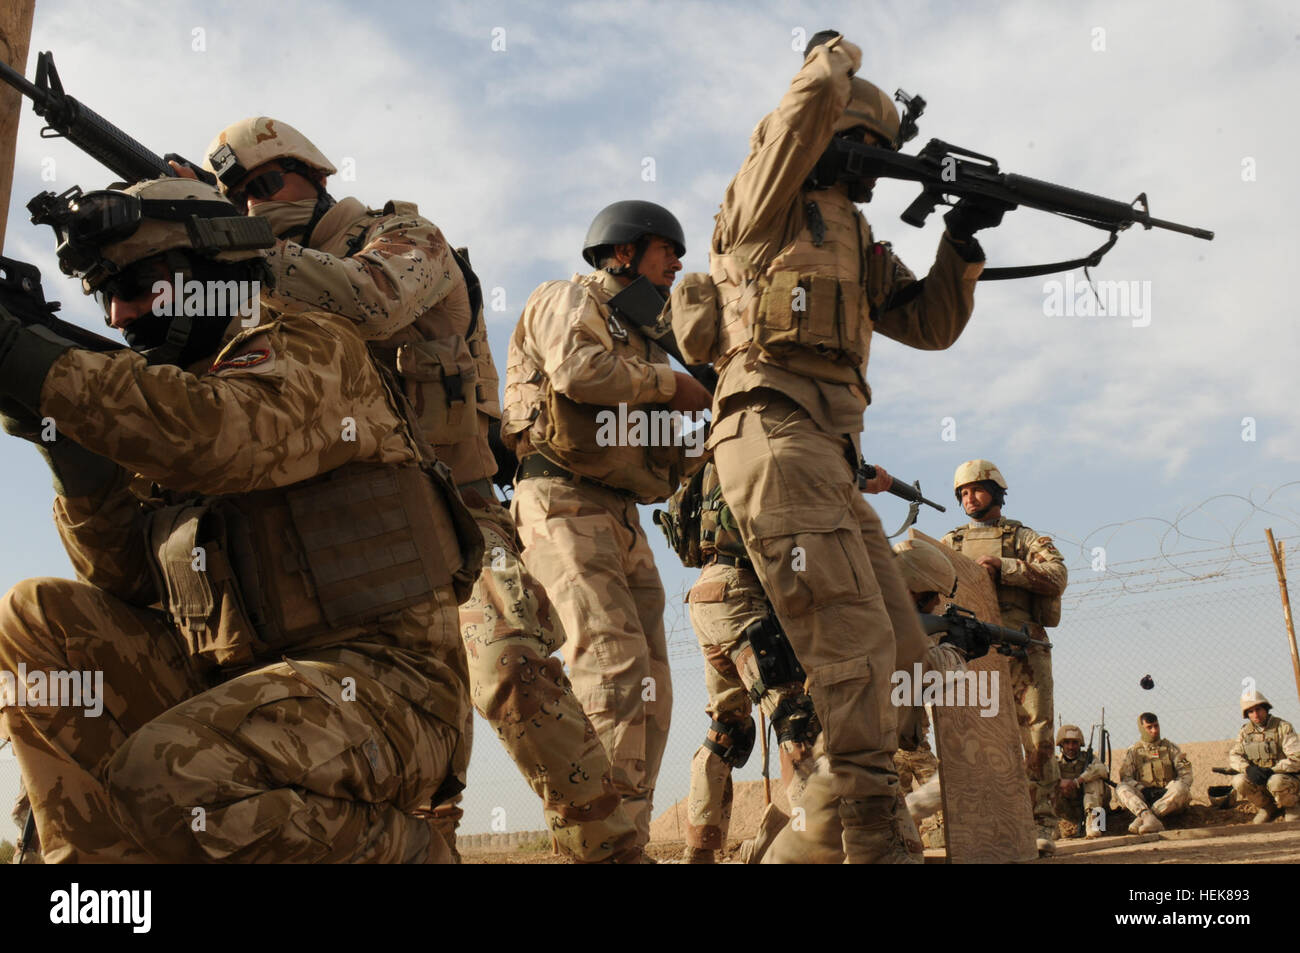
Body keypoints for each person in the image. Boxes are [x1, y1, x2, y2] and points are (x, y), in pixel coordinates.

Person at [195, 118, 639, 861]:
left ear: (314, 174)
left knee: (509, 668)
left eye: (263, 186)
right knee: (390, 737)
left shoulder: (402, 237)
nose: (249, 207)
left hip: (453, 514)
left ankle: (608, 848)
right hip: (344, 539)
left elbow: (373, 303)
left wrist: (239, 250)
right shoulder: (261, 284)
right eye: (234, 198)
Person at [0, 177, 480, 862]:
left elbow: (212, 436)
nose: (118, 314)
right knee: (38, 618)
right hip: (238, 689)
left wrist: (37, 367)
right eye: (104, 294)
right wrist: (70, 457)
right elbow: (128, 581)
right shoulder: (171, 395)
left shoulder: (310, 346)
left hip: (389, 691)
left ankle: (414, 851)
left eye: (137, 282)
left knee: (171, 773)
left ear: (210, 272)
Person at [685, 29, 995, 863]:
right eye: (863, 150)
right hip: (771, 434)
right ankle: (871, 843)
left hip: (829, 453)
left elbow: (929, 324)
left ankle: (824, 837)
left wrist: (961, 241)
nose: (873, 170)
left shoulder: (855, 239)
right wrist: (834, 56)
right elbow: (798, 119)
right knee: (853, 650)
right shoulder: (767, 204)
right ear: (829, 139)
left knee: (900, 659)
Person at [503, 200, 711, 847]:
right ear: (623, 251)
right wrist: (671, 385)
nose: (677, 263)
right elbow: (578, 371)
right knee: (614, 665)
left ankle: (626, 840)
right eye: (664, 250)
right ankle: (600, 846)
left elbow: (665, 461)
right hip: (559, 501)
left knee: (655, 684)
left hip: (620, 514)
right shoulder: (566, 298)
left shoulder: (646, 340)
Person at [659, 459, 823, 863]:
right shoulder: (764, 447)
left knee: (727, 727)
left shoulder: (710, 457)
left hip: (708, 591)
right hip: (741, 592)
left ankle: (699, 853)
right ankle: (813, 849)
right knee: (795, 719)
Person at [941, 459, 1066, 854]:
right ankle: (989, 825)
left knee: (1036, 733)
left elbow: (1057, 574)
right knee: (976, 738)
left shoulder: (1023, 537)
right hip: (973, 649)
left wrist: (1004, 567)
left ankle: (1042, 821)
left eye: (976, 489)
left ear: (995, 492)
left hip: (1023, 644)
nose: (969, 498)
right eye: (962, 492)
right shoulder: (951, 543)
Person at [1229, 690, 1300, 823]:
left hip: (1286, 778)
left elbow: (1296, 758)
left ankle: (1292, 807)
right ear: (1246, 715)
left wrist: (1273, 770)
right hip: (1260, 779)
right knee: (1239, 781)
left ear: (1266, 708)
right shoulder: (1245, 732)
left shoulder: (1283, 727)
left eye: (1258, 709)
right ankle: (1268, 808)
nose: (1255, 714)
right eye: (1250, 711)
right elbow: (1234, 756)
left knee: (1276, 781)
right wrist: (1247, 769)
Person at [1115, 713, 1192, 834]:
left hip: (1168, 796)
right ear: (1141, 728)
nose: (1154, 730)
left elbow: (1186, 775)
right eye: (1149, 727)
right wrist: (1142, 789)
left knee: (1182, 788)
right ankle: (1146, 816)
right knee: (1121, 788)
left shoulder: (1171, 748)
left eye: (1156, 726)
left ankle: (1146, 818)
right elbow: (1126, 777)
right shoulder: (1134, 751)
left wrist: (1169, 788)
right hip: (1145, 796)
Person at [1055, 724, 1109, 838]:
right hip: (1068, 808)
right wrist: (1059, 782)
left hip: (1094, 804)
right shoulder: (1055, 763)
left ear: (1080, 744)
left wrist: (1078, 781)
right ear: (1061, 744)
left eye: (1074, 742)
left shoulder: (1089, 758)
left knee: (1095, 780)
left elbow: (1102, 769)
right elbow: (1043, 778)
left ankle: (1093, 824)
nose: (1071, 746)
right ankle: (1050, 827)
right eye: (1067, 742)